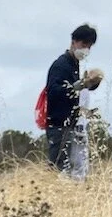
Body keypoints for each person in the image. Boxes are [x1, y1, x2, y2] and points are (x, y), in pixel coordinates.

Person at [45, 24, 100, 173]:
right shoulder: (61, 65)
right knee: (57, 170)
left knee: (69, 172)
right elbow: (53, 92)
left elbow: (76, 95)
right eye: (84, 44)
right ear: (74, 41)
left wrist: (91, 83)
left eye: (89, 47)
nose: (86, 50)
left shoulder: (75, 65)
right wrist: (79, 85)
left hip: (70, 126)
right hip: (58, 126)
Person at [68, 68, 104, 181]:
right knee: (80, 165)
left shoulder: (81, 90)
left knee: (75, 164)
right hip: (79, 129)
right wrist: (89, 114)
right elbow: (80, 109)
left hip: (76, 128)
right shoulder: (84, 91)